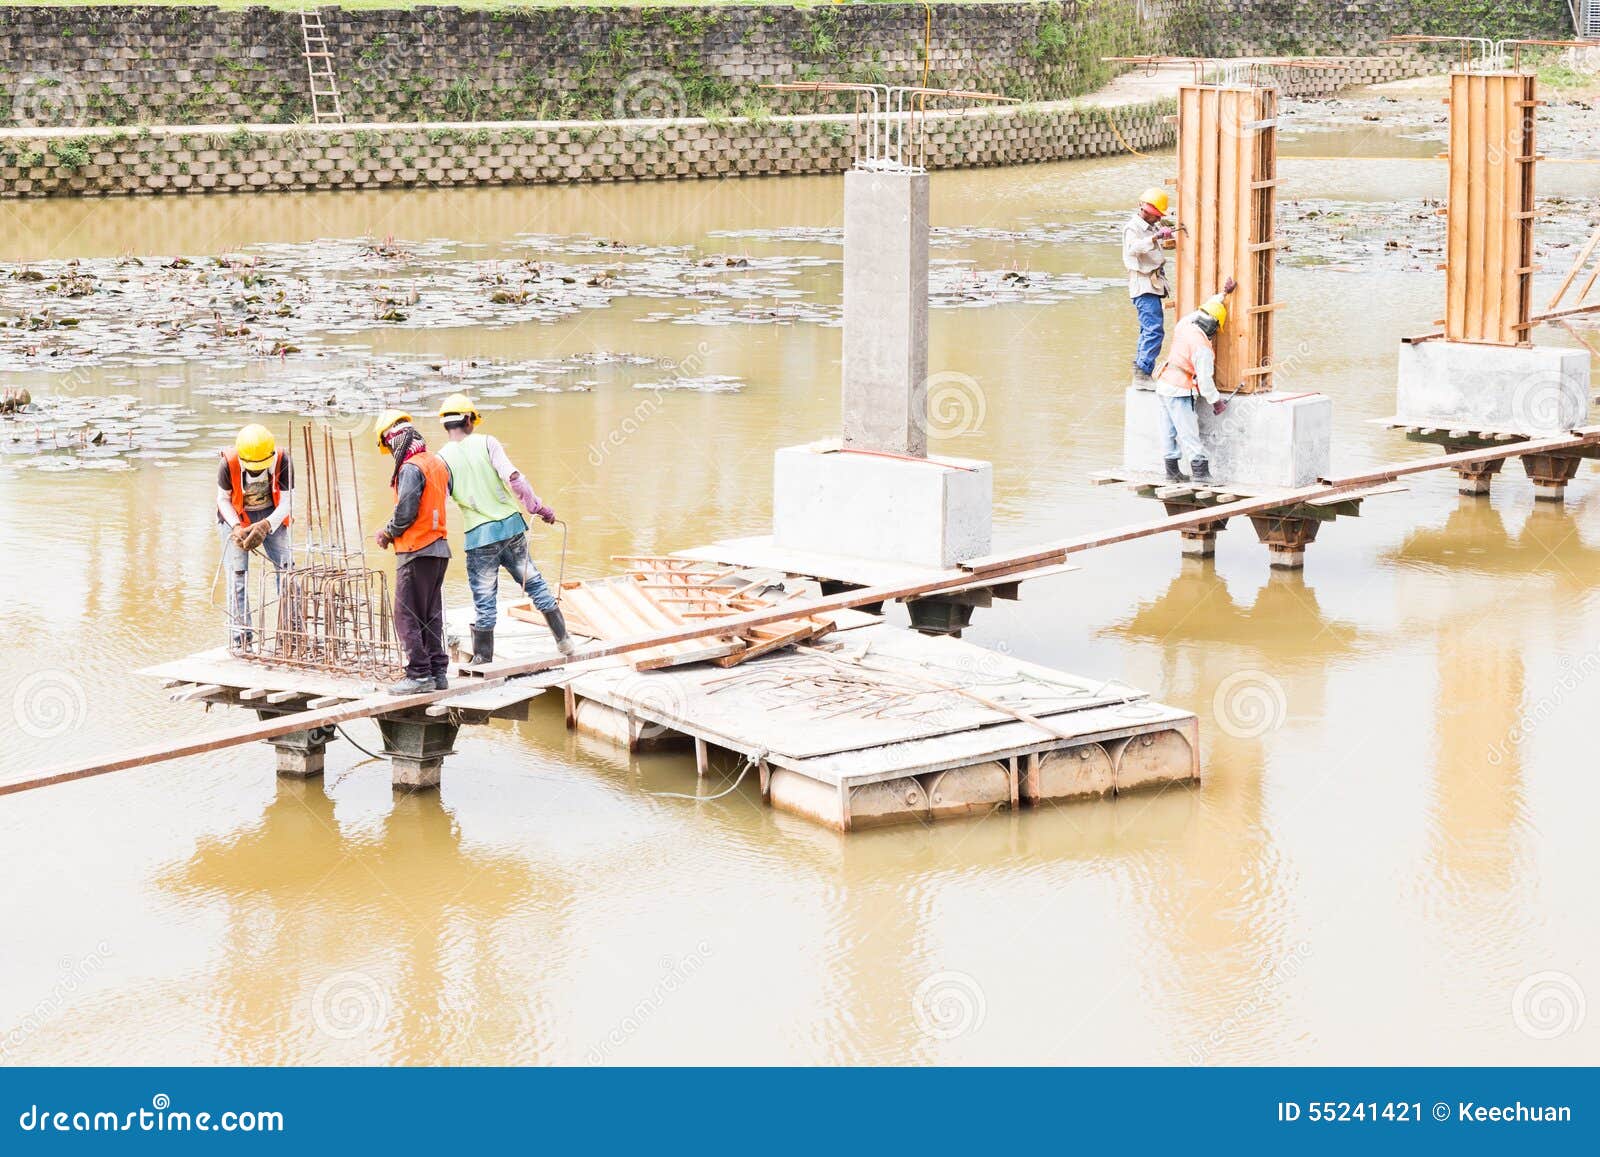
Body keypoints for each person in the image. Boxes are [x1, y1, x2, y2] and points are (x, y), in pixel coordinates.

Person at [433, 393, 575, 664]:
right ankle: (564, 641)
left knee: (485, 600)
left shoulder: (441, 460)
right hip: (511, 528)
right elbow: (514, 479)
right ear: (468, 420)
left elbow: (439, 501)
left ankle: (483, 660)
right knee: (534, 583)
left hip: (479, 537)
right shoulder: (488, 443)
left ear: (446, 425)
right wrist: (539, 509)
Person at [373, 411, 454, 694]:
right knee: (429, 614)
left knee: (406, 614)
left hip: (416, 549)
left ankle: (419, 674)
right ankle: (437, 672)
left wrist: (387, 532)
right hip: (439, 549)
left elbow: (406, 510)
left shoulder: (410, 468)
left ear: (394, 440)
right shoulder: (437, 463)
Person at [216, 423, 293, 648]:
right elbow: (222, 500)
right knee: (237, 574)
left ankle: (292, 632)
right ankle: (241, 638)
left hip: (273, 513)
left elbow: (288, 502)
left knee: (287, 569)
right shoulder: (228, 463)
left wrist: (267, 525)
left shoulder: (282, 461)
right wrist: (236, 527)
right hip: (236, 515)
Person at [1155, 281, 1235, 484]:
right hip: (1179, 389)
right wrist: (1217, 402)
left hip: (1163, 383)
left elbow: (1207, 307)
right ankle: (1200, 474)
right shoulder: (1203, 348)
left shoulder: (1185, 324)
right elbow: (1205, 381)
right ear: (1213, 325)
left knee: (1168, 430)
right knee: (1188, 430)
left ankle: (1172, 472)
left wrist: (1223, 294)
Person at [1124, 186, 1176, 384]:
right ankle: (1143, 372)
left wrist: (1166, 235)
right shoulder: (1133, 228)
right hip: (1143, 285)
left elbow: (1159, 243)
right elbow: (1133, 248)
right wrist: (1155, 237)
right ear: (1148, 212)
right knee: (1154, 329)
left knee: (1148, 329)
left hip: (1152, 284)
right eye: (1157, 216)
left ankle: (1142, 368)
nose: (1158, 220)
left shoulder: (1150, 225)